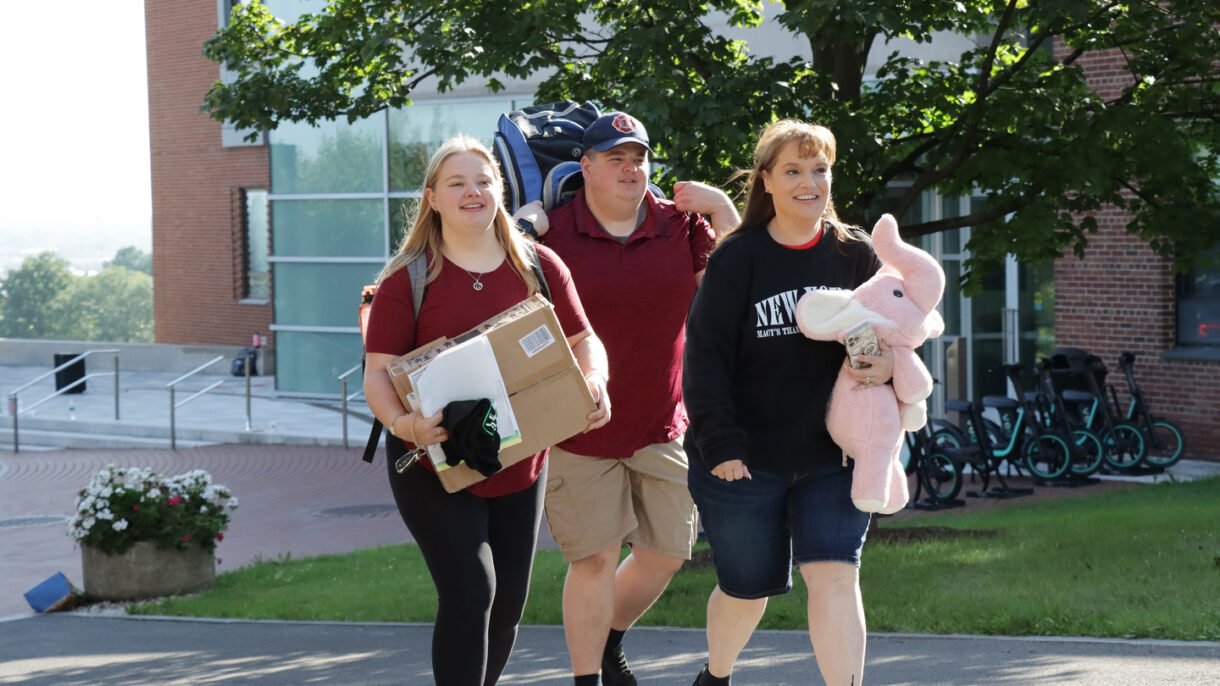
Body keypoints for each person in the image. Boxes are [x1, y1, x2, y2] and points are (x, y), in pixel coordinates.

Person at [363, 135, 611, 686]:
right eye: (457, 183)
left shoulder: (538, 265)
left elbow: (583, 339)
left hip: (520, 459)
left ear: (500, 189)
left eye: (483, 180)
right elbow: (377, 374)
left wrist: (595, 378)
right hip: (433, 460)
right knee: (472, 589)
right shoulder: (407, 279)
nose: (472, 191)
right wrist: (406, 425)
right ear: (432, 198)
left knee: (508, 605)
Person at [513, 111, 740, 686]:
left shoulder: (681, 226)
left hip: (660, 423)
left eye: (638, 158)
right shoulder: (549, 235)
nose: (630, 168)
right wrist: (519, 229)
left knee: (667, 552)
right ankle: (588, 676)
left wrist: (722, 210)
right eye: (615, 158)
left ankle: (607, 639)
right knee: (595, 558)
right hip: (577, 429)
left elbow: (736, 293)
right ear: (586, 167)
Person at [681, 119, 896, 686]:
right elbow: (703, 360)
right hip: (743, 457)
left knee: (835, 575)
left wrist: (890, 365)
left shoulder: (855, 254)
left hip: (832, 454)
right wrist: (721, 445)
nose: (809, 183)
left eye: (819, 170)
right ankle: (716, 675)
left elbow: (895, 328)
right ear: (767, 180)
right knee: (747, 588)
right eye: (794, 171)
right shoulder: (737, 259)